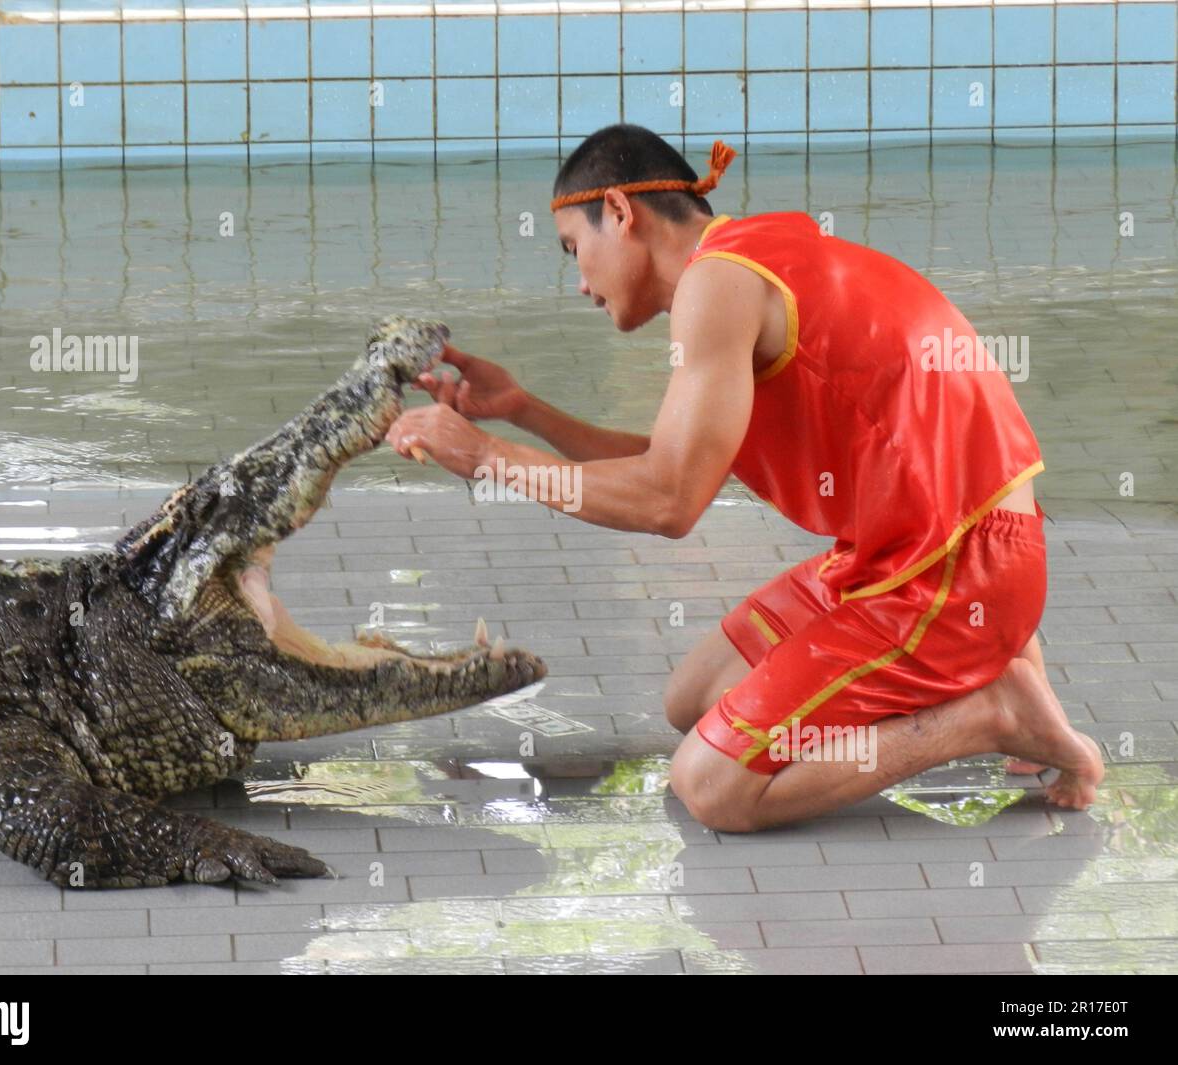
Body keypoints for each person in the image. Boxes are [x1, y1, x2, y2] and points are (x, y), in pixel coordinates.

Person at [385, 124, 1103, 832]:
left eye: (576, 249)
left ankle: (988, 712)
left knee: (713, 785)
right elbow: (676, 459)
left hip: (956, 570)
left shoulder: (717, 286)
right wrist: (522, 412)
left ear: (621, 213)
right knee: (692, 700)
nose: (580, 282)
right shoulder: (746, 258)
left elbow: (669, 502)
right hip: (910, 549)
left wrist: (484, 457)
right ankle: (990, 665)